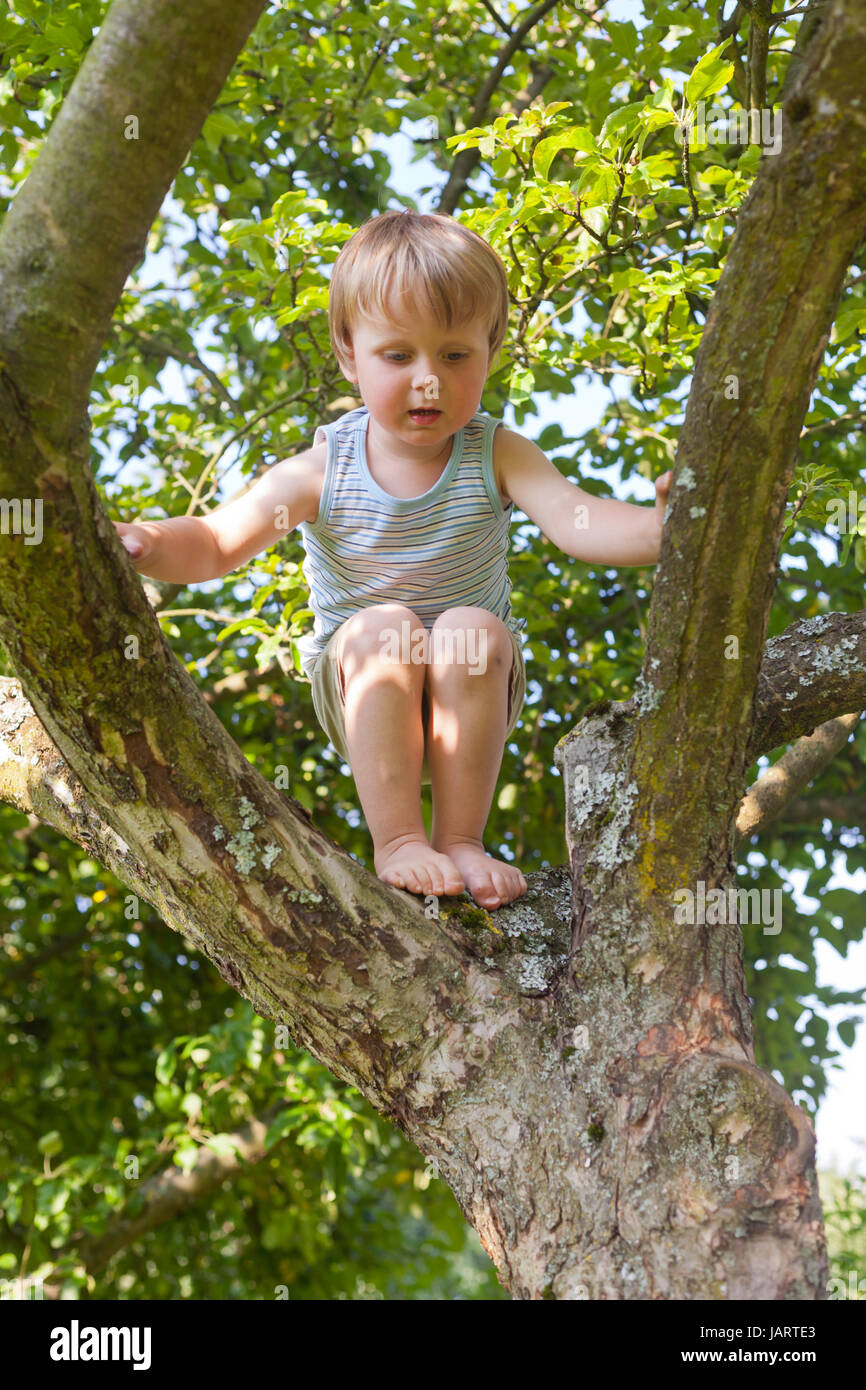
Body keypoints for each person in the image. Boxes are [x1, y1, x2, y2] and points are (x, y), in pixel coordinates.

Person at [116, 209, 672, 910]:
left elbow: (576, 520)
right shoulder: (324, 470)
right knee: (387, 627)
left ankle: (461, 840)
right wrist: (148, 542)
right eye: (399, 356)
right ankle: (400, 839)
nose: (429, 381)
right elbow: (220, 541)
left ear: (491, 350)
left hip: (472, 679)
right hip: (365, 679)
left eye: (454, 355)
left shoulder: (496, 451)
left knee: (473, 626)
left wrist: (665, 527)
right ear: (350, 353)